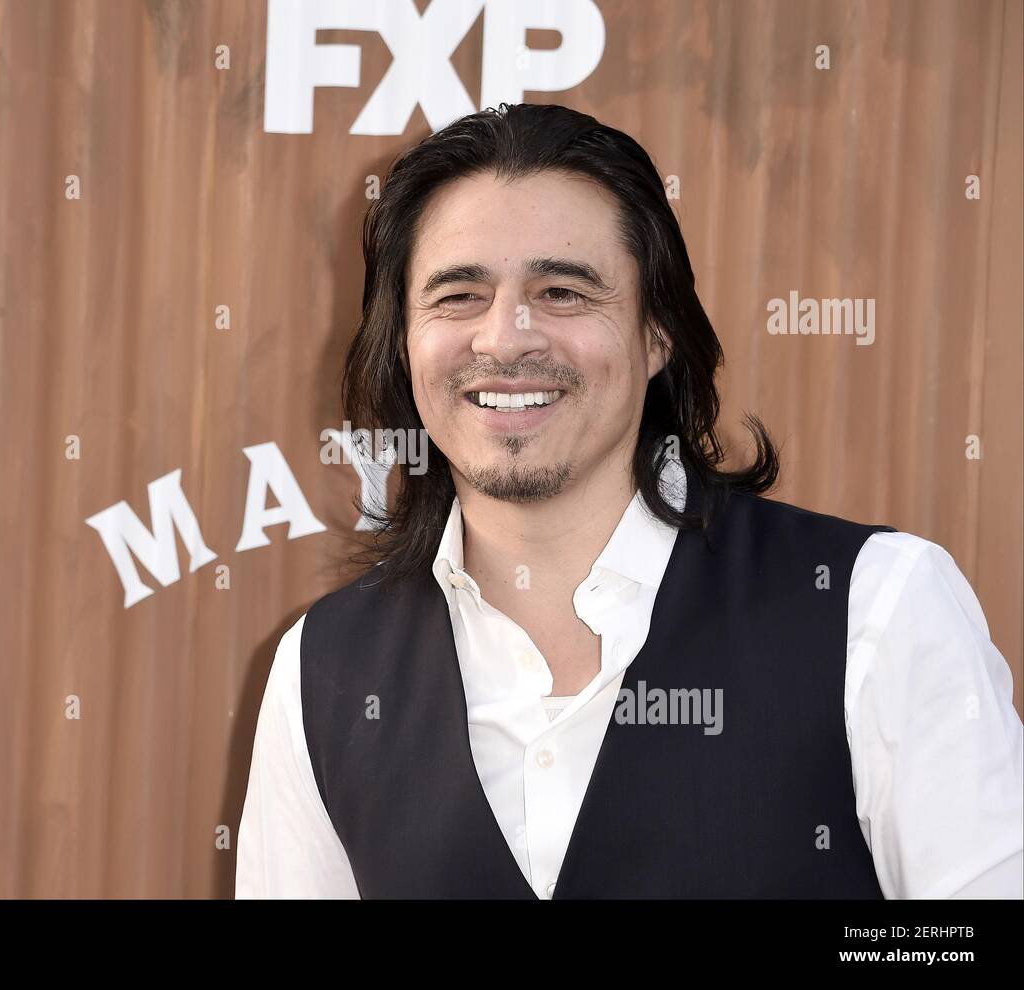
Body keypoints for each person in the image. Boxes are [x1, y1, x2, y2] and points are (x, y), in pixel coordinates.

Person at [235, 103, 1024, 899]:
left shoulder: (877, 606)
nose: (507, 338)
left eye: (564, 292)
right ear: (402, 345)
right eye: (459, 295)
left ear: (656, 334)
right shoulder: (321, 668)